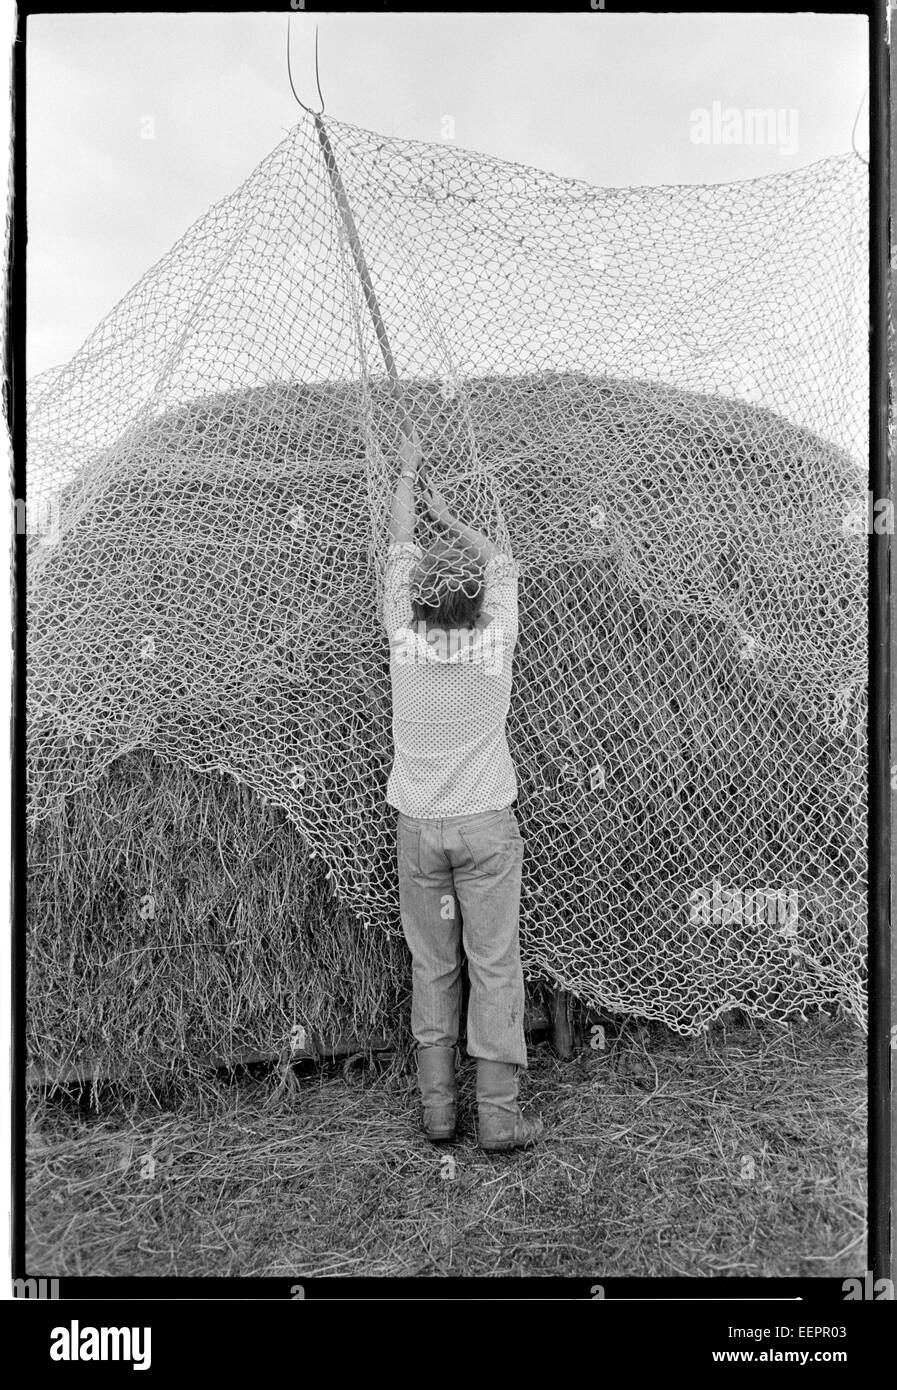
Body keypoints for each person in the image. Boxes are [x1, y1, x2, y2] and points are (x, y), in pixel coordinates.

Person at [381, 431, 543, 1153]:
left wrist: (410, 475)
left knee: (433, 964)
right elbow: (502, 559)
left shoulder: (400, 642)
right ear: (477, 605)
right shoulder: (495, 645)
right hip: (484, 830)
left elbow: (396, 547)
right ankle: (500, 1117)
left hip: (419, 831)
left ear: (418, 603)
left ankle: (440, 1112)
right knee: (494, 963)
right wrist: (452, 517)